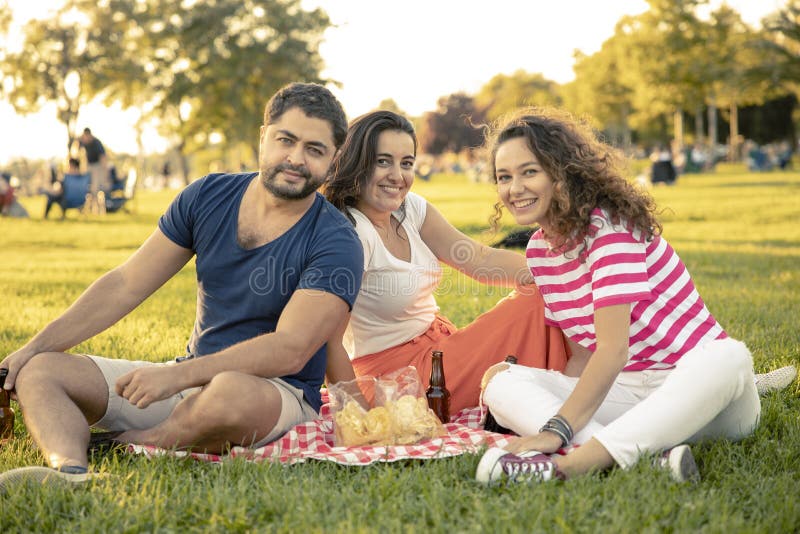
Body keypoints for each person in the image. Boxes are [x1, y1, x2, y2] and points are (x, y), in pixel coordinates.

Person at [0, 82, 363, 489]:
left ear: (332, 162)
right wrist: (33, 347)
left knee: (229, 393)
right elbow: (125, 284)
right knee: (40, 371)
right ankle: (72, 471)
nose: (295, 159)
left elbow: (291, 350)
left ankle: (133, 444)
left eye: (314, 150)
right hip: (188, 381)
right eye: (286, 140)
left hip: (275, 396)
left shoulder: (337, 241)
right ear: (264, 138)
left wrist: (178, 377)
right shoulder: (208, 196)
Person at [475, 107, 761, 485]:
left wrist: (556, 428)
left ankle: (565, 467)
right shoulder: (539, 252)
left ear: (562, 173)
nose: (514, 188)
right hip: (627, 394)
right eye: (504, 177)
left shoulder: (608, 228)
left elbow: (612, 350)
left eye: (530, 172)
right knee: (501, 380)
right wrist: (563, 403)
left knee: (728, 356)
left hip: (702, 397)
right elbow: (581, 357)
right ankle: (646, 459)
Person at [323, 111, 569, 414]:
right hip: (399, 381)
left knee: (549, 292)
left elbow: (479, 259)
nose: (397, 176)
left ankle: (576, 391)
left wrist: (559, 275)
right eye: (383, 161)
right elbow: (327, 341)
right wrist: (359, 418)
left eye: (407, 163)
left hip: (441, 351)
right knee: (537, 303)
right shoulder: (353, 234)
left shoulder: (410, 209)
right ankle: (570, 395)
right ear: (357, 164)